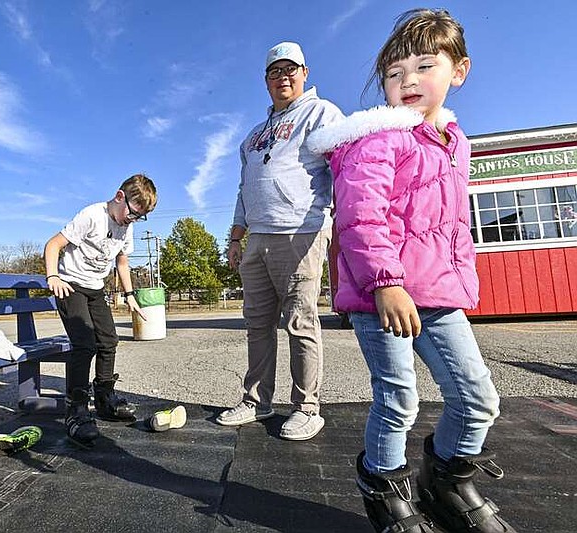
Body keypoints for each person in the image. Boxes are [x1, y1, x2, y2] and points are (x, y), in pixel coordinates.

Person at [307, 9, 516, 533]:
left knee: (476, 398)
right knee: (398, 397)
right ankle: (382, 487)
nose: (408, 81)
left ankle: (446, 481)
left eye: (425, 66)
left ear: (458, 71)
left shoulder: (454, 144)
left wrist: (458, 278)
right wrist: (386, 283)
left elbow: (450, 225)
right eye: (395, 72)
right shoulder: (376, 141)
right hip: (385, 294)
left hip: (439, 295)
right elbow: (359, 217)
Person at [215, 41, 343, 441]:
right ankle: (257, 400)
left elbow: (344, 167)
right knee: (256, 323)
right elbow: (244, 188)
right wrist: (236, 236)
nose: (283, 77)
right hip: (257, 237)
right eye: (275, 72)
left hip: (300, 230)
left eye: (291, 70)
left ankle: (307, 406)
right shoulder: (253, 136)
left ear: (305, 73)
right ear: (265, 80)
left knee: (300, 322)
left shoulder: (322, 113)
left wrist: (347, 222)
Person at [44, 174, 157, 448]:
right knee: (84, 345)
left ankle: (105, 398)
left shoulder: (125, 227)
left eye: (139, 218)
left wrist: (130, 295)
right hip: (70, 285)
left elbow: (122, 261)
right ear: (120, 196)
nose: (131, 220)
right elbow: (53, 245)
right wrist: (52, 277)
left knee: (109, 341)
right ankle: (77, 411)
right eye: (131, 213)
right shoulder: (92, 215)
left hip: (95, 289)